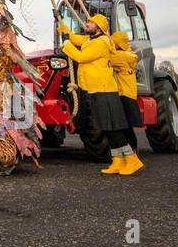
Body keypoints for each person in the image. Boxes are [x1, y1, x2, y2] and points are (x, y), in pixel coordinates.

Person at [58, 14, 136, 176]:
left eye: (90, 23)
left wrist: (66, 44)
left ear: (99, 27)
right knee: (106, 128)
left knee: (113, 129)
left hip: (105, 91)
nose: (86, 24)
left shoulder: (102, 43)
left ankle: (131, 160)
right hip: (94, 90)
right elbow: (77, 39)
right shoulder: (90, 39)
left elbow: (81, 57)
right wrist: (64, 29)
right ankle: (118, 161)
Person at [109, 30, 145, 174]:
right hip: (125, 94)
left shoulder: (121, 56)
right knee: (126, 127)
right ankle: (129, 157)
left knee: (125, 127)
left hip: (124, 95)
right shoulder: (126, 54)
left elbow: (104, 57)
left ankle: (132, 158)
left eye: (114, 42)